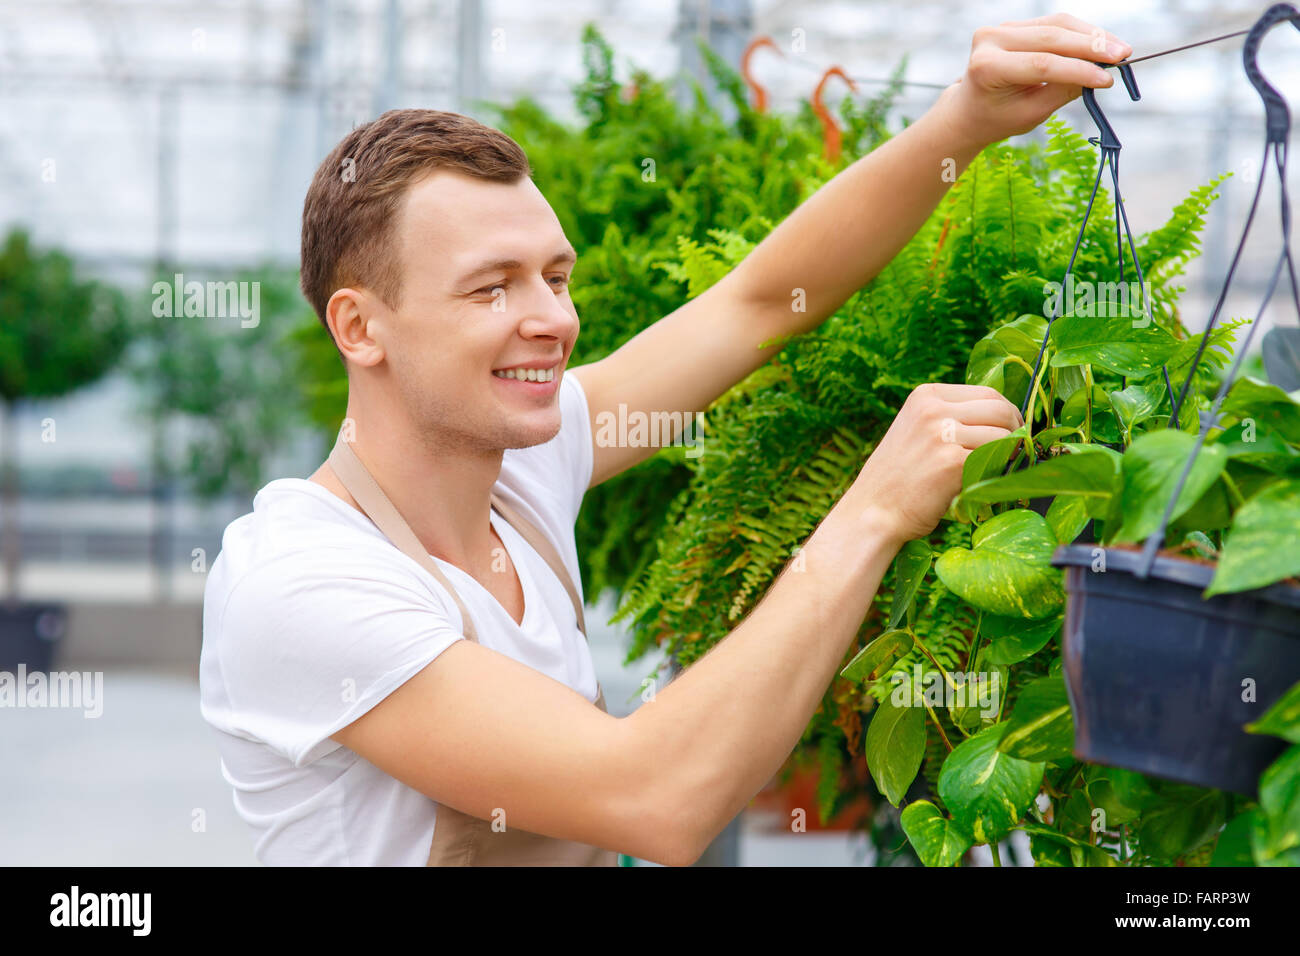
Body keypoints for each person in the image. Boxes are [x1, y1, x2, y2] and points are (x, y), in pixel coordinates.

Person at [199, 13, 1132, 866]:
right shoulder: (301, 583)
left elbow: (761, 303)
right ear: (359, 327)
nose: (551, 320)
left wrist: (962, 123)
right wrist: (874, 510)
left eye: (554, 277)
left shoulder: (521, 467)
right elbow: (655, 796)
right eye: (492, 288)